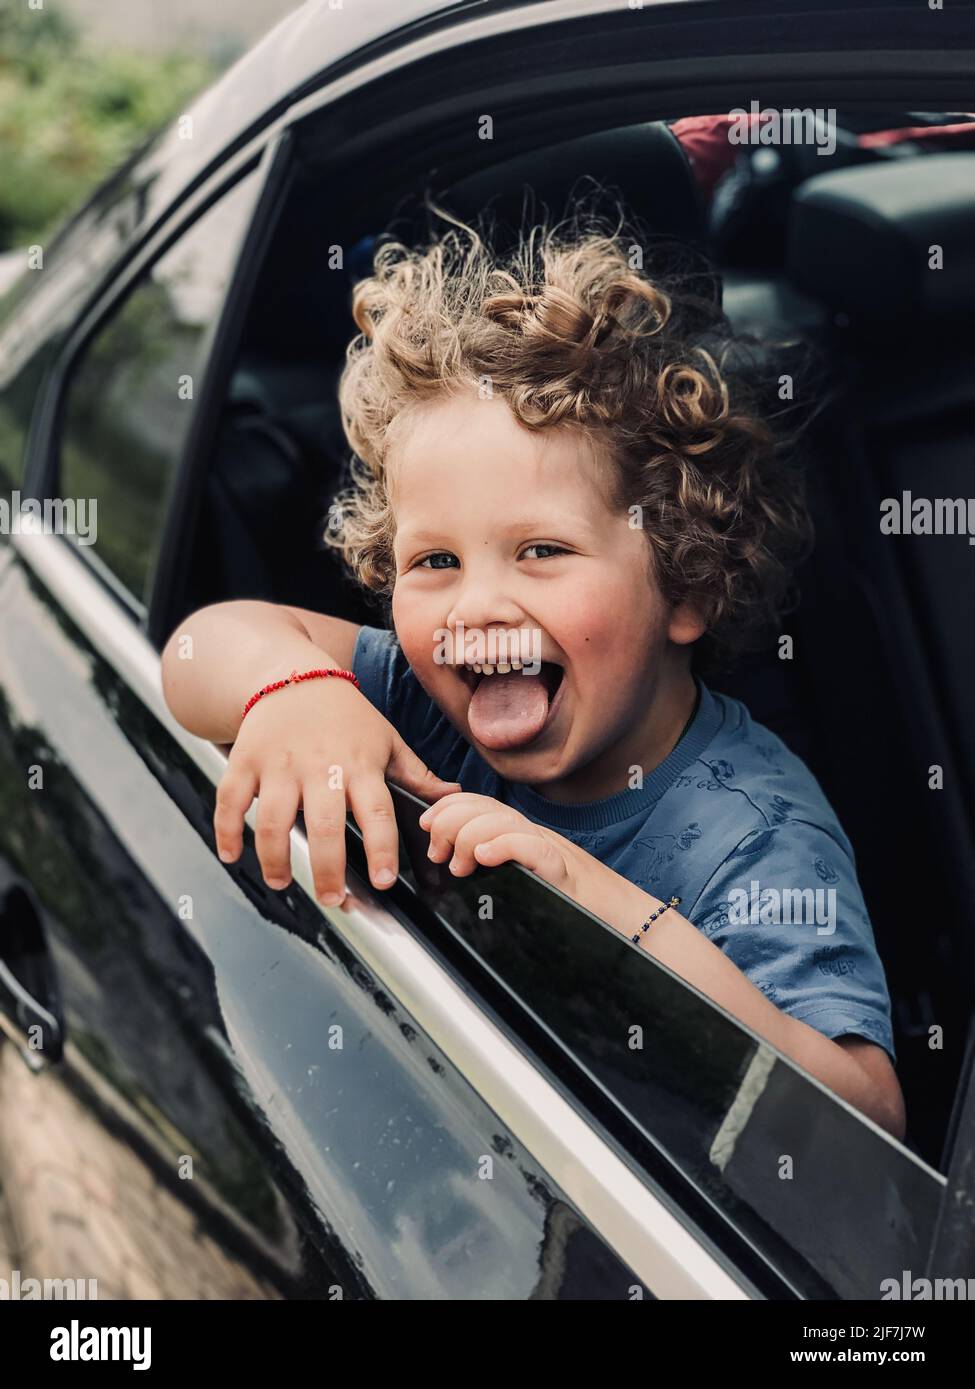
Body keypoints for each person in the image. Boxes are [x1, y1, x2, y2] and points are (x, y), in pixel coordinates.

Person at [162, 197, 905, 1138]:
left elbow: (867, 1119)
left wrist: (593, 904)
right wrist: (295, 691)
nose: (473, 607)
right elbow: (199, 648)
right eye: (434, 562)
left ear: (684, 584)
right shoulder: (416, 707)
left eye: (541, 552)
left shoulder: (756, 837)